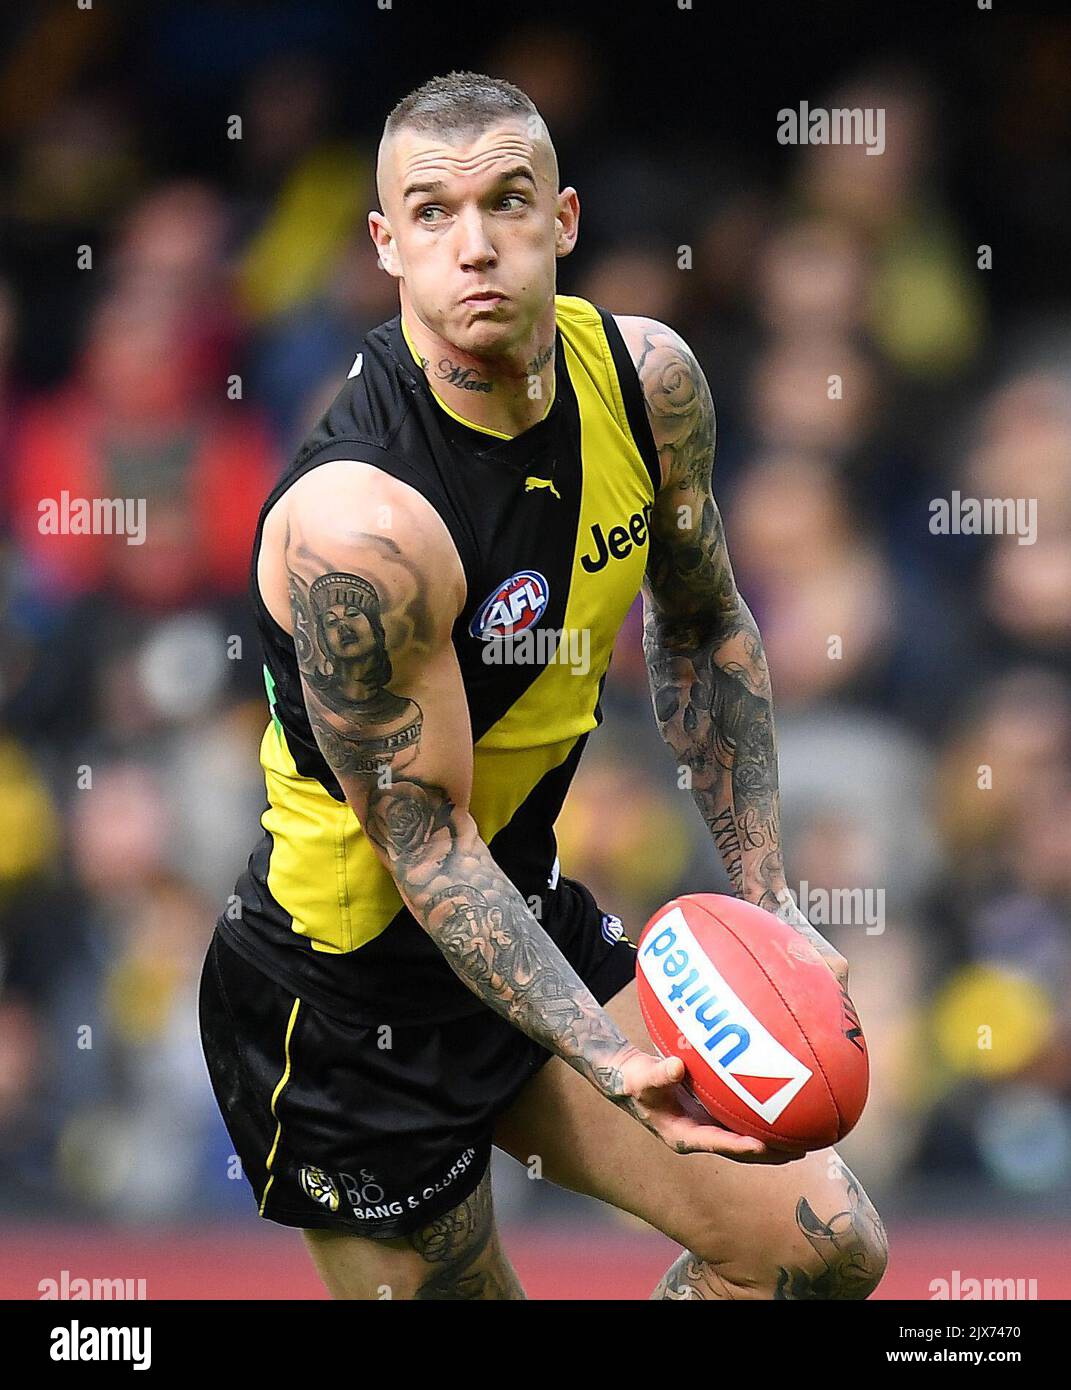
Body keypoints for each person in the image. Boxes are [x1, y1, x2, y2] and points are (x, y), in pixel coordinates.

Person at [198, 70, 887, 1300]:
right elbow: (426, 841)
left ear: (561, 222)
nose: (473, 246)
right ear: (385, 245)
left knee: (824, 1251)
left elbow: (704, 618)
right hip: (346, 998)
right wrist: (602, 1053)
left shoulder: (647, 382)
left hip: (525, 908)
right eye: (430, 213)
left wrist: (771, 896)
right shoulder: (364, 528)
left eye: (506, 203)